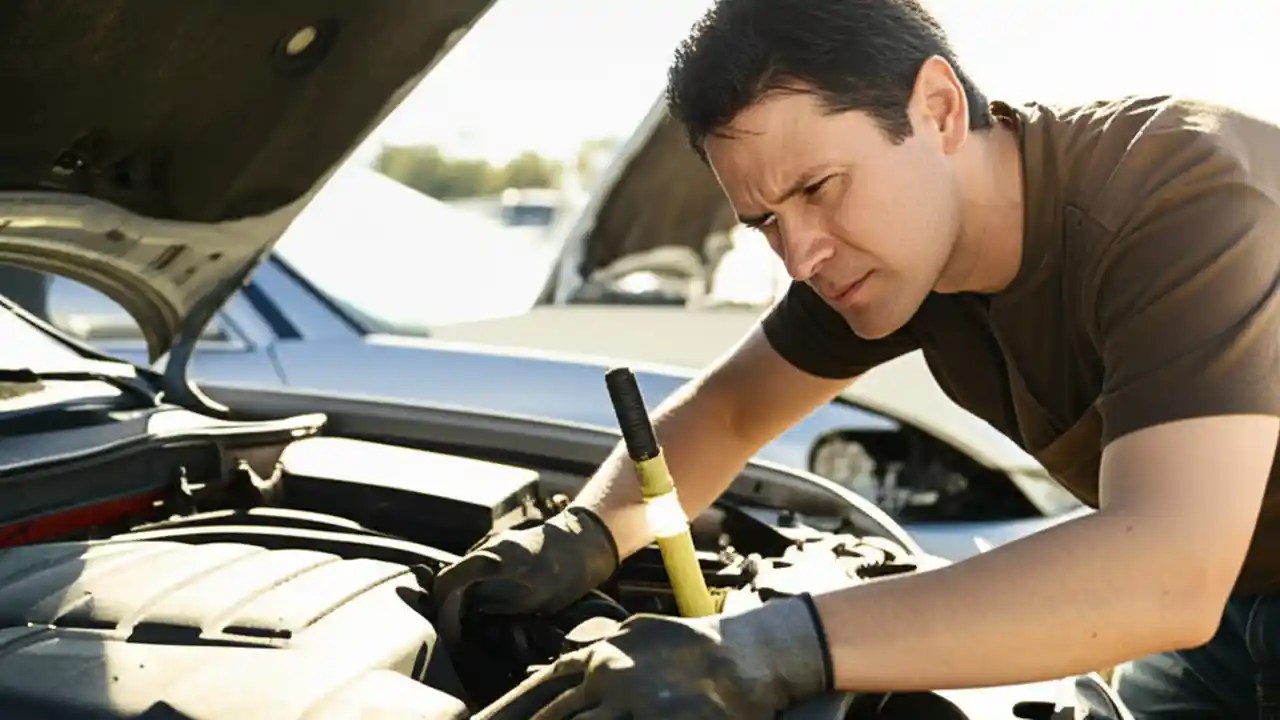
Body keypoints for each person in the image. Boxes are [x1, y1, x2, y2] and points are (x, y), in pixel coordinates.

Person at [429, 1, 1280, 717]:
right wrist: (589, 532)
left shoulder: (1181, 196)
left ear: (939, 110)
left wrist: (770, 648)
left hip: (1198, 579)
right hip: (1227, 599)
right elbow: (727, 414)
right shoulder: (899, 251)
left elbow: (1169, 568)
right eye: (765, 222)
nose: (799, 257)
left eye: (817, 189)